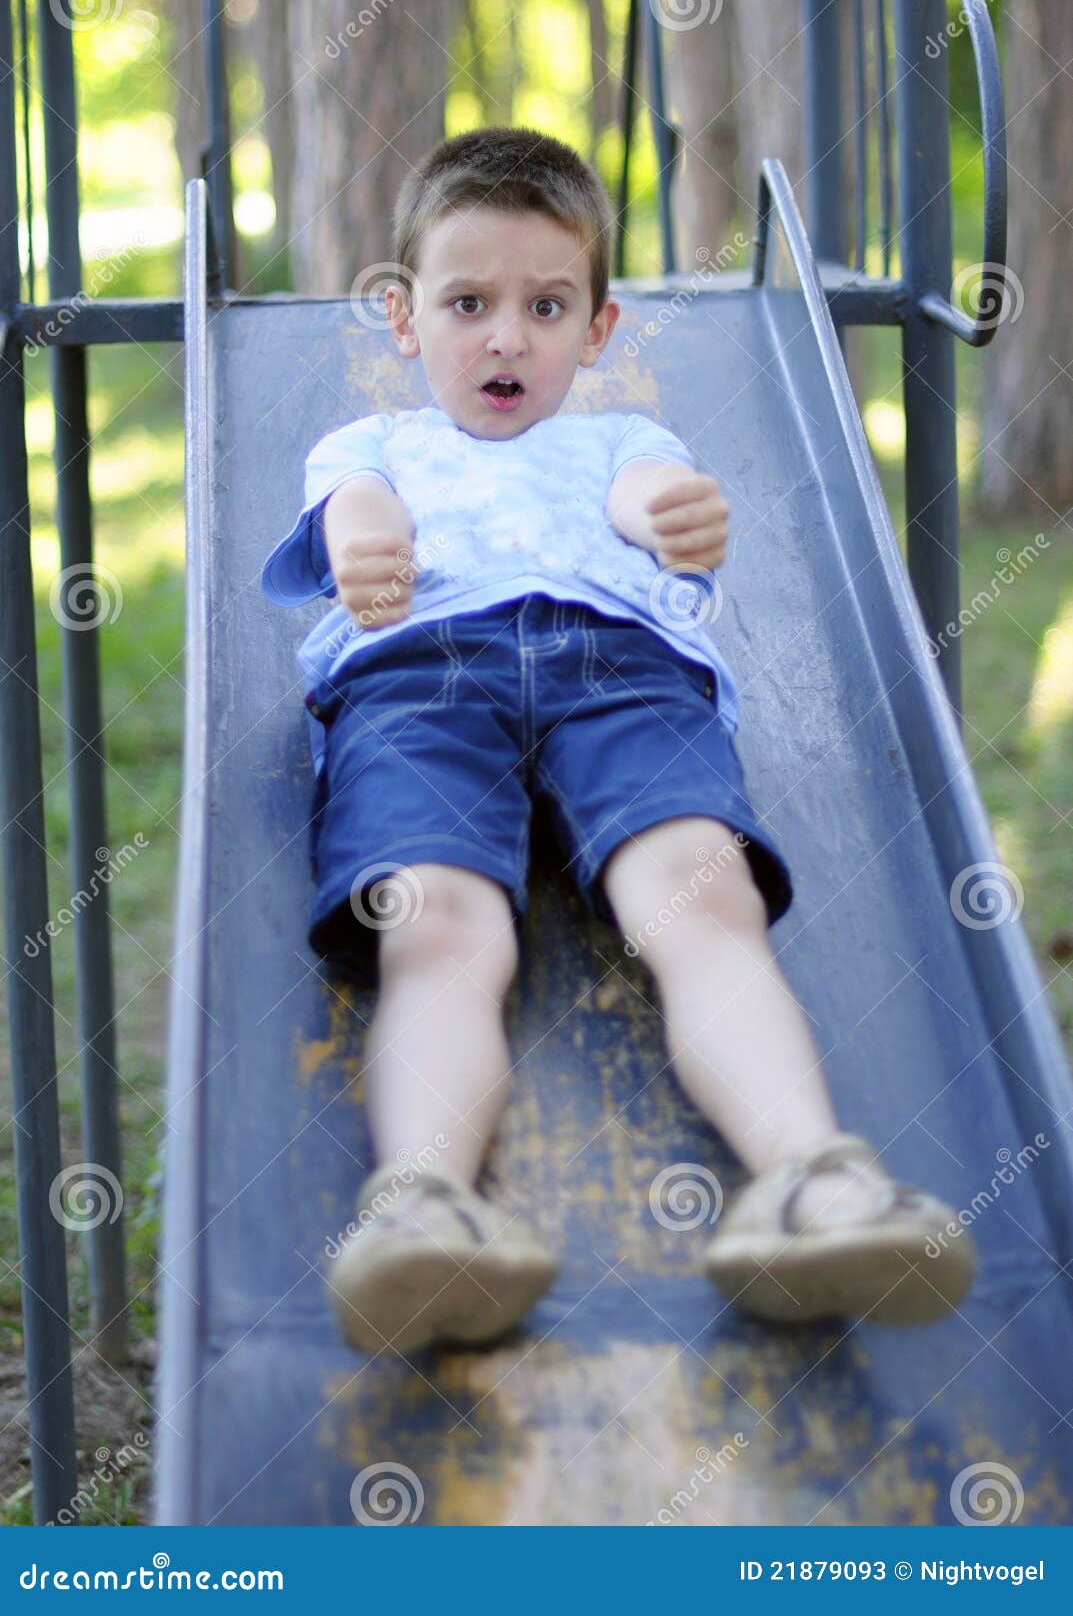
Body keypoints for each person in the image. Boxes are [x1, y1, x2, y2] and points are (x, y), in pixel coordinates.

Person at [261, 125, 976, 1357]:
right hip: (419, 683)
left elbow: (648, 499)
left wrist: (677, 514)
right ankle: (423, 1205)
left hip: (622, 676)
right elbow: (351, 511)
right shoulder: (371, 449)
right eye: (468, 302)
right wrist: (359, 536)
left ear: (596, 332)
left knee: (700, 902)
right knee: (430, 920)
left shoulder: (620, 441)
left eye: (546, 307)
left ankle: (811, 1178)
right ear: (401, 315)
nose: (504, 338)